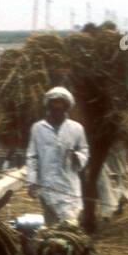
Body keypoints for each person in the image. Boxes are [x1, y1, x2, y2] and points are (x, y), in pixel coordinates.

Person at [25, 87, 90, 227]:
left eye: (61, 105)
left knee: (70, 228)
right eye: (54, 104)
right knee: (51, 229)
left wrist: (77, 157)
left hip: (69, 187)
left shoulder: (77, 128)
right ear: (48, 106)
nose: (57, 108)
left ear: (67, 107)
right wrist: (31, 181)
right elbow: (32, 156)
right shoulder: (37, 128)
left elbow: (84, 150)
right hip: (47, 187)